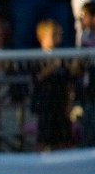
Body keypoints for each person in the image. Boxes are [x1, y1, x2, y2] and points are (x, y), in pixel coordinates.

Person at [29, 18, 73, 150]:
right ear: (41, 37)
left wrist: (70, 102)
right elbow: (36, 78)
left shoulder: (63, 57)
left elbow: (68, 83)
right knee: (44, 139)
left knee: (63, 140)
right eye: (54, 35)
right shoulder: (36, 58)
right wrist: (51, 67)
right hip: (45, 106)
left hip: (61, 104)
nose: (57, 38)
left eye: (59, 35)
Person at [75, 0, 95, 146]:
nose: (82, 20)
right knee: (87, 137)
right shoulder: (84, 39)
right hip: (88, 94)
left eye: (85, 16)